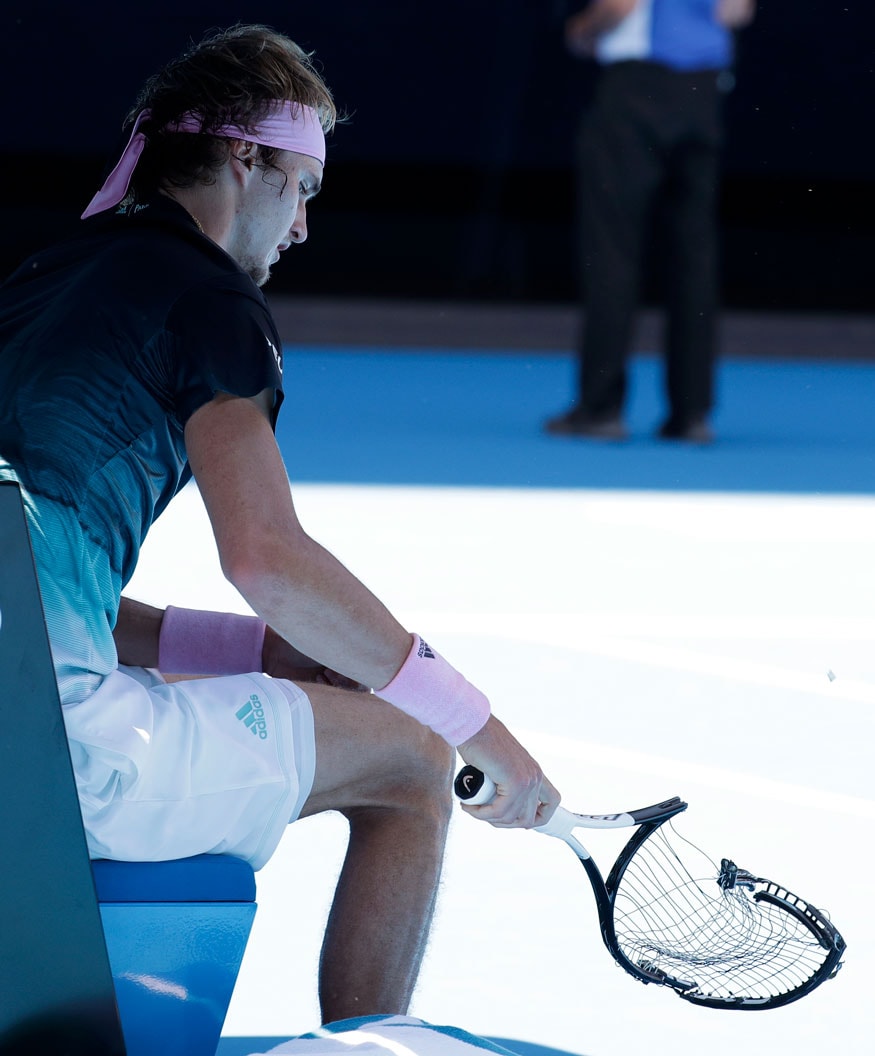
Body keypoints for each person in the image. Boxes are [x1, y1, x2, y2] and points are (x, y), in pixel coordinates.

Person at [0, 24, 559, 1025]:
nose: (300, 227)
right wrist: (477, 730)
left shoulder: (35, 283)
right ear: (242, 159)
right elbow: (266, 557)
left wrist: (257, 653)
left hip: (24, 706)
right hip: (48, 764)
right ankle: (365, 1046)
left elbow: (26, 588)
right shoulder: (211, 302)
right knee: (411, 762)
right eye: (300, 187)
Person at [545, 0, 756, 442]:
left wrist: (582, 32)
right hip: (702, 93)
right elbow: (737, 11)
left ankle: (600, 408)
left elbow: (618, 5)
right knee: (693, 258)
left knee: (613, 251)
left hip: (638, 90)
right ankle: (692, 414)